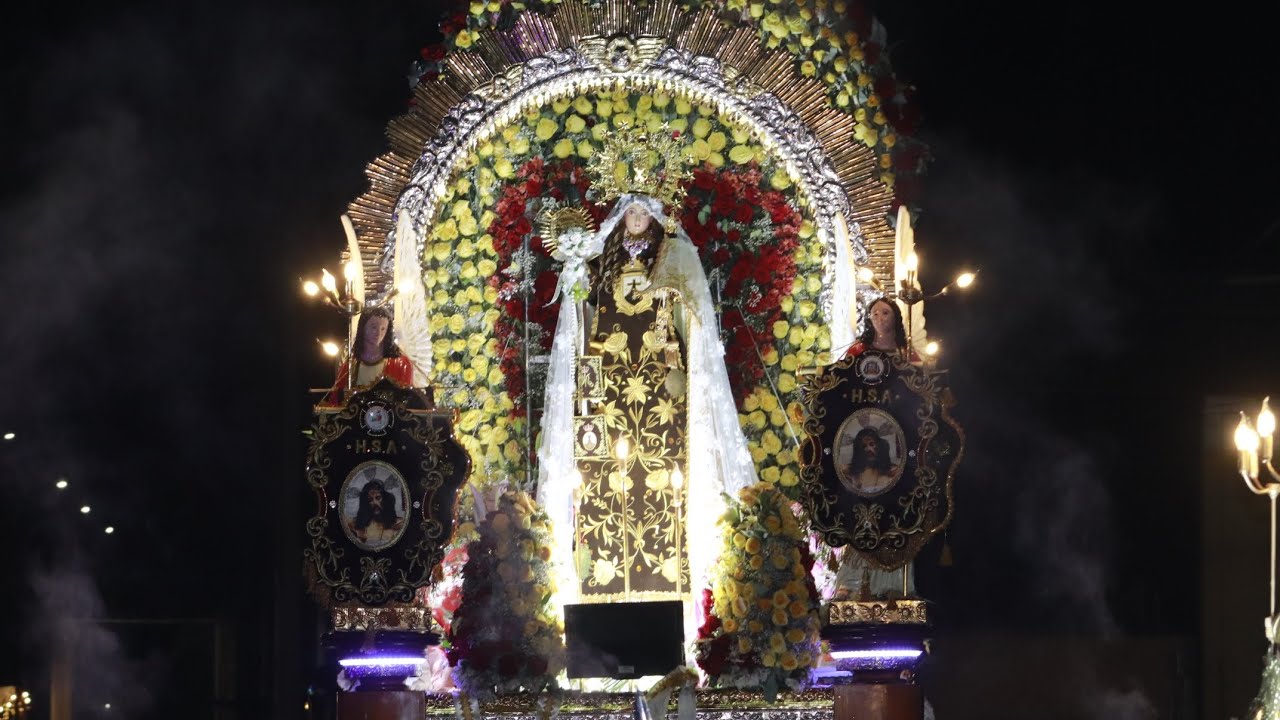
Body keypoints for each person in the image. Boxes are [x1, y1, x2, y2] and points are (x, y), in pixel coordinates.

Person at [537, 193, 756, 624]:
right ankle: (603, 601)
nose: (636, 220)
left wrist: (680, 359)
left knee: (664, 487)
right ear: (620, 219)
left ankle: (672, 598)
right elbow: (584, 319)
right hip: (610, 392)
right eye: (629, 213)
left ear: (654, 218)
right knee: (603, 485)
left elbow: (689, 319)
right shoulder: (602, 263)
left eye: (643, 213)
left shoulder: (671, 258)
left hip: (662, 396)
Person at [327, 307, 414, 403]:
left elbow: (406, 400)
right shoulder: (350, 365)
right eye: (373, 327)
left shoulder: (401, 364)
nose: (378, 333)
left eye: (383, 328)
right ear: (363, 327)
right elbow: (336, 400)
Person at [845, 297, 921, 362]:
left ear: (895, 317)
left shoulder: (907, 353)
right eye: (875, 314)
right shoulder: (858, 350)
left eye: (885, 313)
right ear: (869, 319)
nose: (880, 319)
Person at [347, 479, 404, 547]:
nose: (375, 503)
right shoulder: (356, 524)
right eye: (370, 500)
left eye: (378, 498)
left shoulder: (399, 524)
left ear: (385, 499)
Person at [841, 426, 896, 494]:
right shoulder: (848, 472)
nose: (868, 449)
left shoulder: (894, 471)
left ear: (879, 446)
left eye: (871, 444)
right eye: (864, 446)